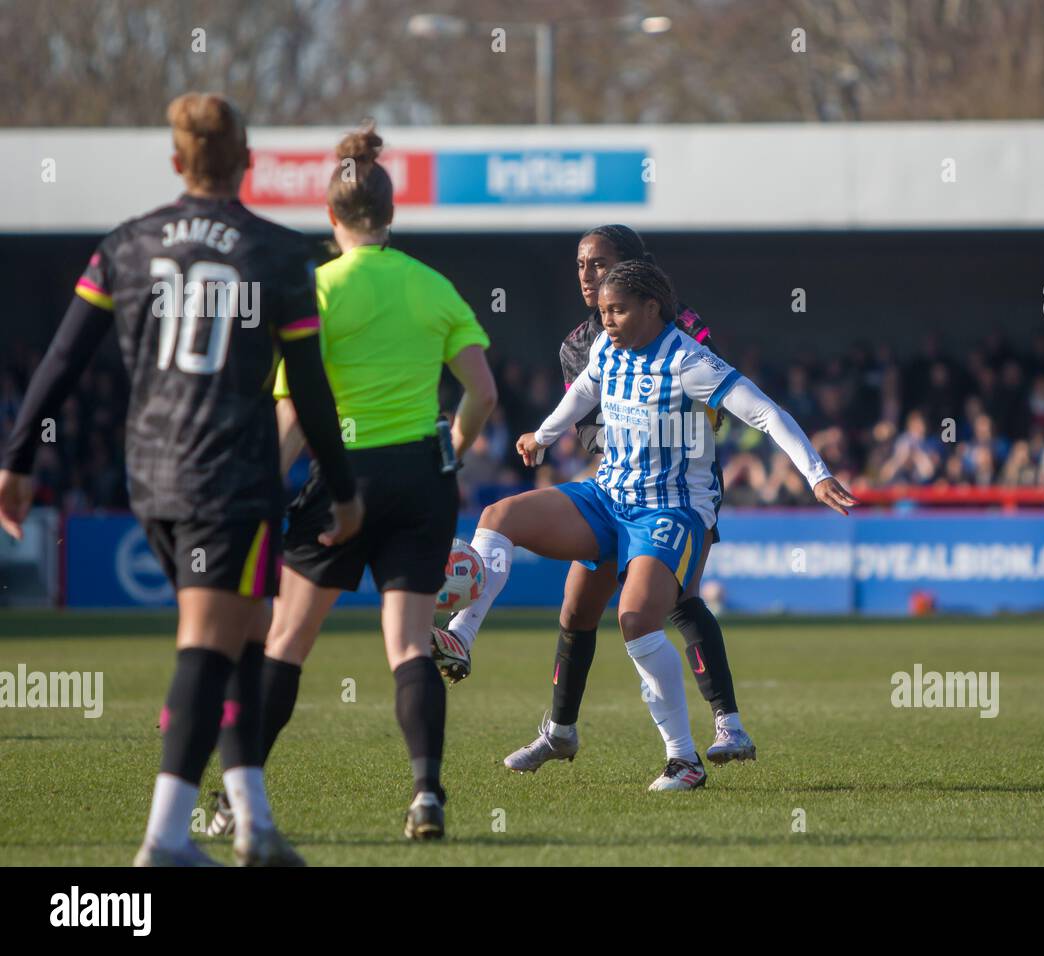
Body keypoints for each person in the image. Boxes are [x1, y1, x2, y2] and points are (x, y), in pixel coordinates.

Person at [0, 93, 362, 866]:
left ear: (176, 163)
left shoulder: (126, 245)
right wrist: (342, 485)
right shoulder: (279, 254)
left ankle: (255, 823)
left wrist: (18, 456)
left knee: (239, 638)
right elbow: (309, 385)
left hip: (152, 474)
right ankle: (165, 839)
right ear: (249, 163)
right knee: (207, 643)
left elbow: (64, 357)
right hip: (228, 477)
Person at [437, 260, 855, 790]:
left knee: (635, 619)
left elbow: (766, 413)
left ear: (652, 307)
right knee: (499, 518)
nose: (606, 320)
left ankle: (684, 760)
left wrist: (815, 475)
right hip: (607, 495)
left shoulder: (688, 361)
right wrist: (543, 436)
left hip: (670, 509)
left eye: (618, 310)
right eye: (603, 310)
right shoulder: (607, 349)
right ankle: (461, 636)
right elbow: (585, 391)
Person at [208, 123, 496, 841]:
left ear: (331, 218)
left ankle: (232, 801)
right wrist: (453, 448)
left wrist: (258, 495)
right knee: (407, 646)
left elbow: (295, 417)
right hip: (424, 478)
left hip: (346, 478)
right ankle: (427, 793)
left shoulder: (317, 288)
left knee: (287, 642)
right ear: (390, 216)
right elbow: (481, 392)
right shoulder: (433, 286)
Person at [434, 224, 757, 771]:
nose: (587, 275)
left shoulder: (680, 327)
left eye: (600, 263)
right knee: (578, 607)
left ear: (634, 271)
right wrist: (593, 443)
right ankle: (559, 730)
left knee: (674, 600)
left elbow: (716, 405)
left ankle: (728, 725)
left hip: (678, 489)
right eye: (581, 264)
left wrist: (653, 437)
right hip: (614, 488)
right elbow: (584, 422)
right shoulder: (577, 346)